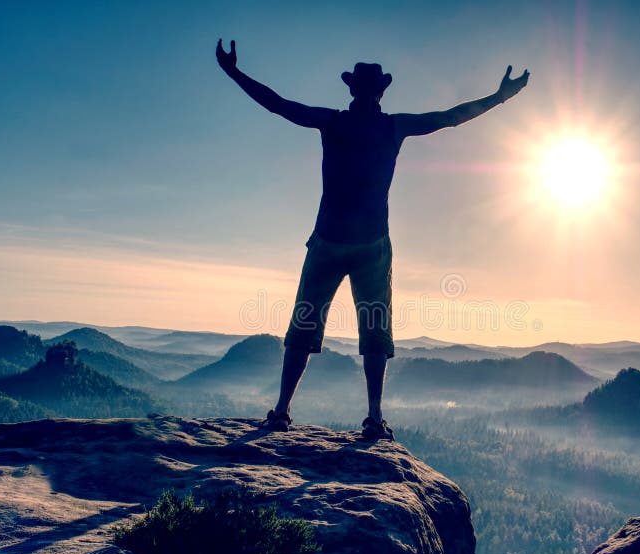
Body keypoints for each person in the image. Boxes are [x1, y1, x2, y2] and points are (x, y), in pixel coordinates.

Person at [216, 39, 529, 439]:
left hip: (328, 239)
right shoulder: (392, 126)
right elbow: (451, 117)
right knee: (375, 330)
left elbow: (277, 104)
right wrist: (500, 98)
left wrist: (233, 73)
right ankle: (374, 418)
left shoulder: (333, 122)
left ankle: (281, 411)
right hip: (370, 245)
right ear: (381, 90)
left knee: (305, 325)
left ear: (352, 89)